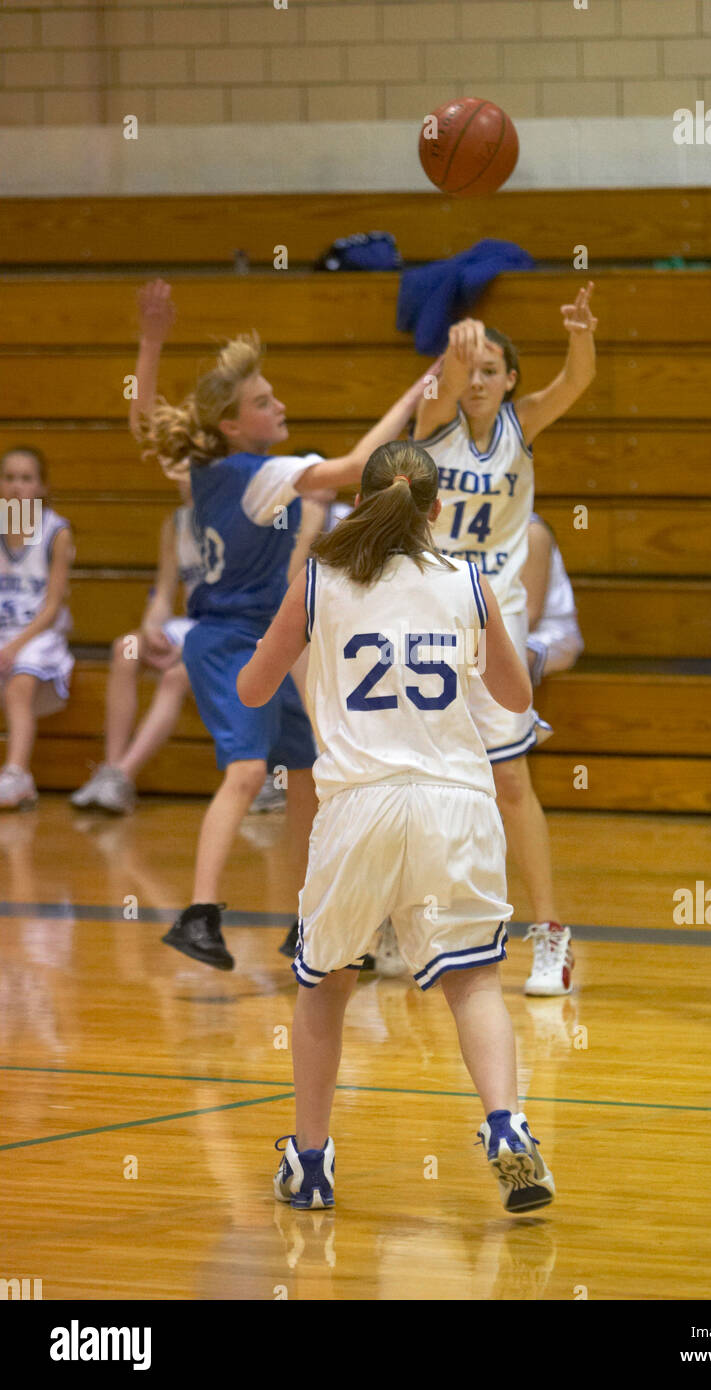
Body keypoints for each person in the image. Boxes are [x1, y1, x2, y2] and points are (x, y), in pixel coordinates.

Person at [237, 440, 556, 1213]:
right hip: (453, 803)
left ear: (359, 504)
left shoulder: (320, 580)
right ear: (437, 511)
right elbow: (514, 699)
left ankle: (310, 1165)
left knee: (326, 989)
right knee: (473, 982)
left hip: (360, 807)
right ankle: (507, 1127)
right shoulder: (467, 580)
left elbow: (252, 690)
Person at [136, 298, 429, 970]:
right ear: (234, 425)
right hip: (227, 639)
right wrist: (414, 392)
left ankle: (308, 917)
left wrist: (150, 345)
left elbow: (146, 423)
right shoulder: (256, 474)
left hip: (268, 640)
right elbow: (360, 464)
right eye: (264, 402)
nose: (279, 406)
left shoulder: (204, 470)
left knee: (308, 769)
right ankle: (200, 915)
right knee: (245, 769)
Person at [412, 288, 597, 996]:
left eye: (492, 370)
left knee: (510, 779)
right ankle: (412, 923)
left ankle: (549, 934)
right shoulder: (434, 420)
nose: (478, 381)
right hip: (427, 609)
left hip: (497, 613)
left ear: (510, 380)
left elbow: (575, 381)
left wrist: (579, 334)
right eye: (470, 369)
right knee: (420, 779)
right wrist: (450, 361)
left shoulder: (521, 425)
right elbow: (436, 392)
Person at [70, 480, 205, 814]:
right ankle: (111, 771)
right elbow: (163, 592)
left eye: (192, 469)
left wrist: (194, 647)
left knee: (176, 676)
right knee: (126, 647)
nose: (184, 479)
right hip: (188, 627)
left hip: (220, 631)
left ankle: (123, 775)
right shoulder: (176, 523)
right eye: (178, 471)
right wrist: (150, 628)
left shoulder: (235, 520)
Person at [0, 446, 75, 810]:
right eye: (9, 477)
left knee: (20, 682)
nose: (16, 487)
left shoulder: (56, 531)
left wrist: (13, 646)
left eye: (26, 478)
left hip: (39, 634)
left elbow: (53, 605)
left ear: (43, 486)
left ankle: (17, 774)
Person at [524, 511, 583, 685]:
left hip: (548, 633)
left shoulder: (532, 531)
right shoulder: (455, 529)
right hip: (492, 632)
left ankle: (522, 713)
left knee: (490, 660)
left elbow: (530, 616)